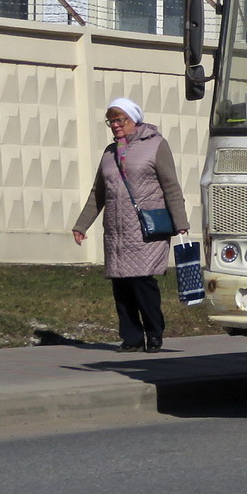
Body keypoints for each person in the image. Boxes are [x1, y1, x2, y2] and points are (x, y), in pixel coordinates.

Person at [72, 98, 189, 353]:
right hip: (116, 230)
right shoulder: (109, 153)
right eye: (111, 121)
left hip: (146, 228)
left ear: (134, 120)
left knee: (141, 282)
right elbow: (97, 193)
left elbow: (170, 185)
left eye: (119, 120)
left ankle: (154, 333)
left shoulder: (156, 145)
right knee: (121, 284)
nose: (115, 125)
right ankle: (132, 337)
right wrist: (82, 225)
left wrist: (180, 222)